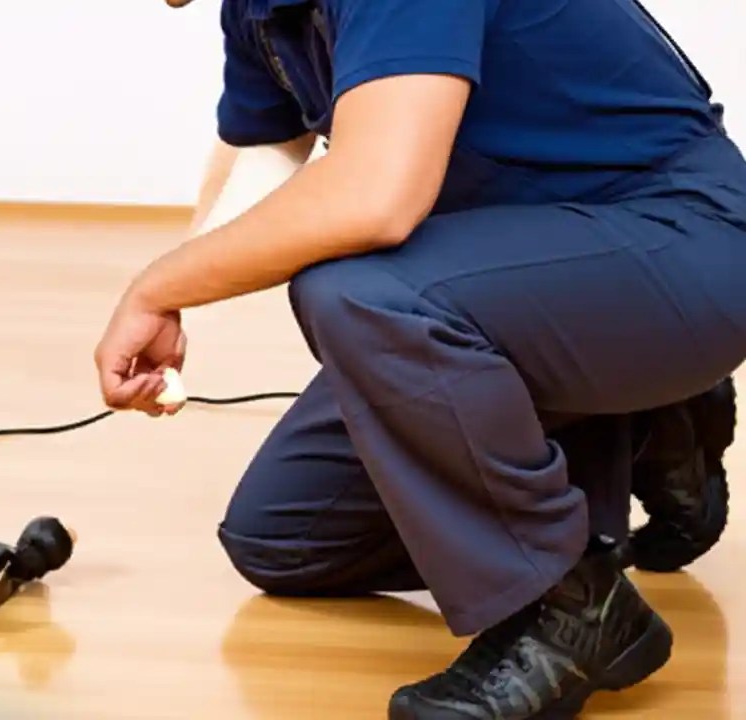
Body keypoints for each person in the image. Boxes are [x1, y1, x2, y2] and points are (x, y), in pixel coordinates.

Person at [92, 0, 744, 717]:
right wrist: (181, 284)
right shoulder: (256, 8)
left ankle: (570, 608)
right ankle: (645, 421)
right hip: (539, 279)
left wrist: (154, 287)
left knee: (357, 291)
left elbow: (376, 195)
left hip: (684, 243)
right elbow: (271, 151)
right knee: (284, 539)